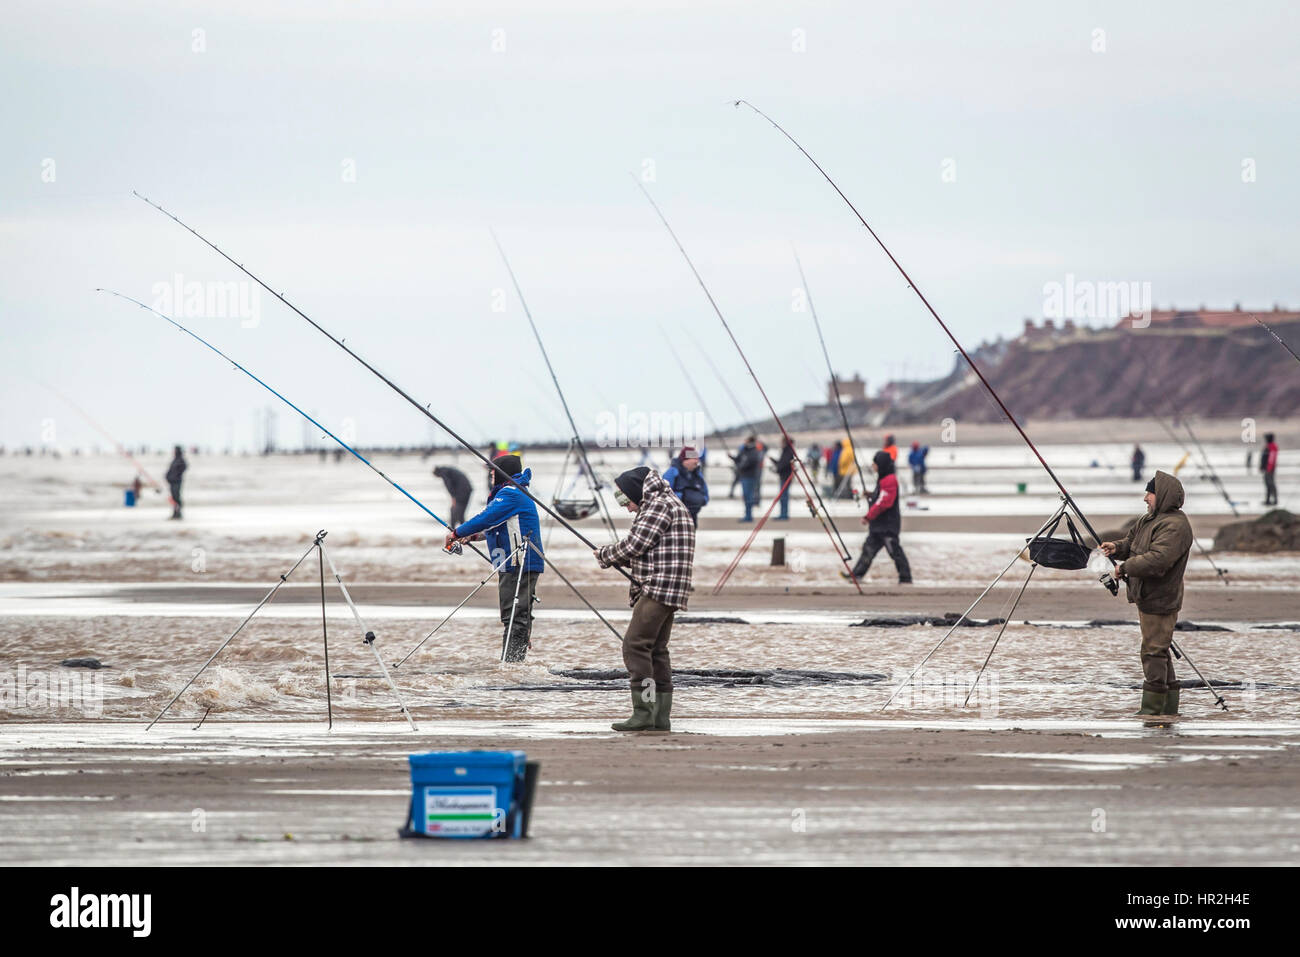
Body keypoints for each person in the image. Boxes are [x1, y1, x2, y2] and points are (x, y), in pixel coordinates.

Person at [594, 467, 696, 732]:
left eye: (625, 499)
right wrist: (617, 556)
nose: (627, 507)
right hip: (671, 587)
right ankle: (660, 718)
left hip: (659, 587)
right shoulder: (669, 503)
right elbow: (650, 550)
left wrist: (606, 554)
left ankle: (644, 714)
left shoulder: (658, 506)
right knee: (657, 650)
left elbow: (635, 545)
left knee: (635, 646)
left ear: (636, 490)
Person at [1101, 472, 1194, 716]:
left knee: (1152, 652)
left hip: (1161, 599)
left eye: (1149, 493)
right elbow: (1132, 543)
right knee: (1159, 650)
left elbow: (1158, 560)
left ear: (1161, 495)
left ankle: (1152, 711)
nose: (1145, 498)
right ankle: (1167, 712)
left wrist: (1124, 568)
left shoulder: (1176, 525)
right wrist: (1117, 548)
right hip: (1147, 596)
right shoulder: (1148, 520)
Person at [444, 454, 543, 663]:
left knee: (514, 615)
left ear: (500, 473)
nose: (490, 477)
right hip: (510, 562)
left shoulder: (511, 493)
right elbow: (498, 525)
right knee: (515, 613)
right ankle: (515, 660)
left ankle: (512, 664)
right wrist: (474, 536)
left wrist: (457, 532)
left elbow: (486, 518)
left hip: (519, 561)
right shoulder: (512, 492)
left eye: (492, 473)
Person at [845, 450, 912, 584]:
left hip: (887, 526)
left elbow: (884, 503)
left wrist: (868, 517)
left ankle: (905, 578)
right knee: (868, 550)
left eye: (875, 463)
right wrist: (871, 495)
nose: (873, 466)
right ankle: (856, 575)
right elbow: (880, 497)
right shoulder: (884, 478)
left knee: (895, 551)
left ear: (881, 464)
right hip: (878, 526)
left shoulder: (889, 480)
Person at [662, 446, 709, 526]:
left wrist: (702, 500)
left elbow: (704, 491)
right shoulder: (672, 472)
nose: (697, 462)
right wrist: (683, 497)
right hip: (675, 518)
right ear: (686, 460)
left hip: (693, 516)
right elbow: (663, 494)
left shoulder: (697, 473)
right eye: (694, 459)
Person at [732, 436, 763, 522]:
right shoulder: (745, 450)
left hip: (750, 476)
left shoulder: (754, 451)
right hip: (744, 476)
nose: (744, 442)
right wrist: (733, 458)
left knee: (748, 496)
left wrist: (740, 466)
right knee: (746, 496)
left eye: (746, 441)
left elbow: (749, 462)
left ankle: (748, 516)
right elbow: (739, 459)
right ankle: (747, 515)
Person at [771, 437, 795, 520]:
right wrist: (774, 461)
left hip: (786, 477)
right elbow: (782, 463)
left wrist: (777, 469)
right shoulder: (786, 451)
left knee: (784, 496)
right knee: (783, 496)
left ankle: (784, 514)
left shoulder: (788, 452)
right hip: (784, 476)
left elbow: (784, 464)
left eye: (782, 442)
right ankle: (783, 514)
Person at [165, 446, 186, 520]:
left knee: (176, 498)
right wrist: (168, 477)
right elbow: (170, 470)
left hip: (176, 482)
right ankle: (175, 513)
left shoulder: (180, 460)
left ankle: (178, 513)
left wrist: (175, 476)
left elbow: (183, 468)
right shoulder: (175, 460)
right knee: (173, 498)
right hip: (172, 482)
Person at [1261, 432, 1279, 506]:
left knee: (1271, 484)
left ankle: (1275, 500)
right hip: (1267, 468)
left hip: (1269, 469)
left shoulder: (1272, 447)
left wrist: (1269, 468)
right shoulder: (1268, 446)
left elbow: (1271, 459)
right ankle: (1268, 500)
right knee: (1267, 484)